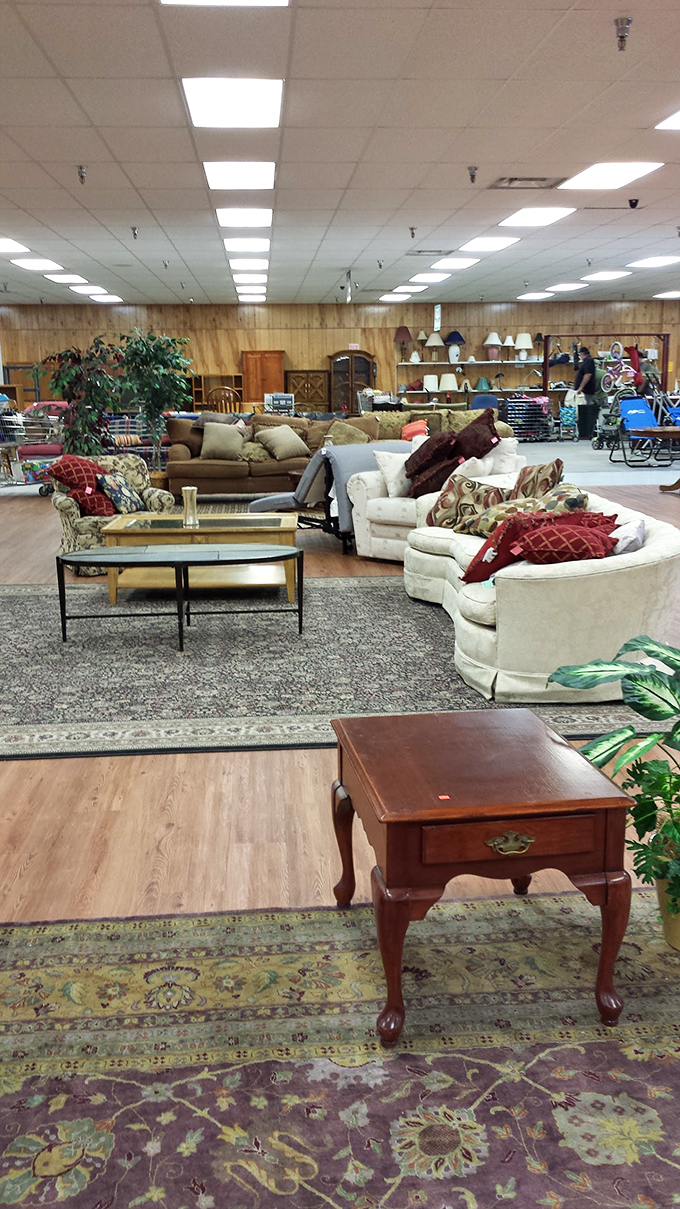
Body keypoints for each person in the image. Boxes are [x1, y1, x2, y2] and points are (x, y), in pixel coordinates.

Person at [574, 346, 598, 440]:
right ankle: (585, 432)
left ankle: (587, 432)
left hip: (586, 392)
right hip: (585, 391)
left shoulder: (588, 361)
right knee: (583, 411)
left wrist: (580, 388)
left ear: (582, 354)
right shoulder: (587, 362)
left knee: (586, 412)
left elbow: (588, 375)